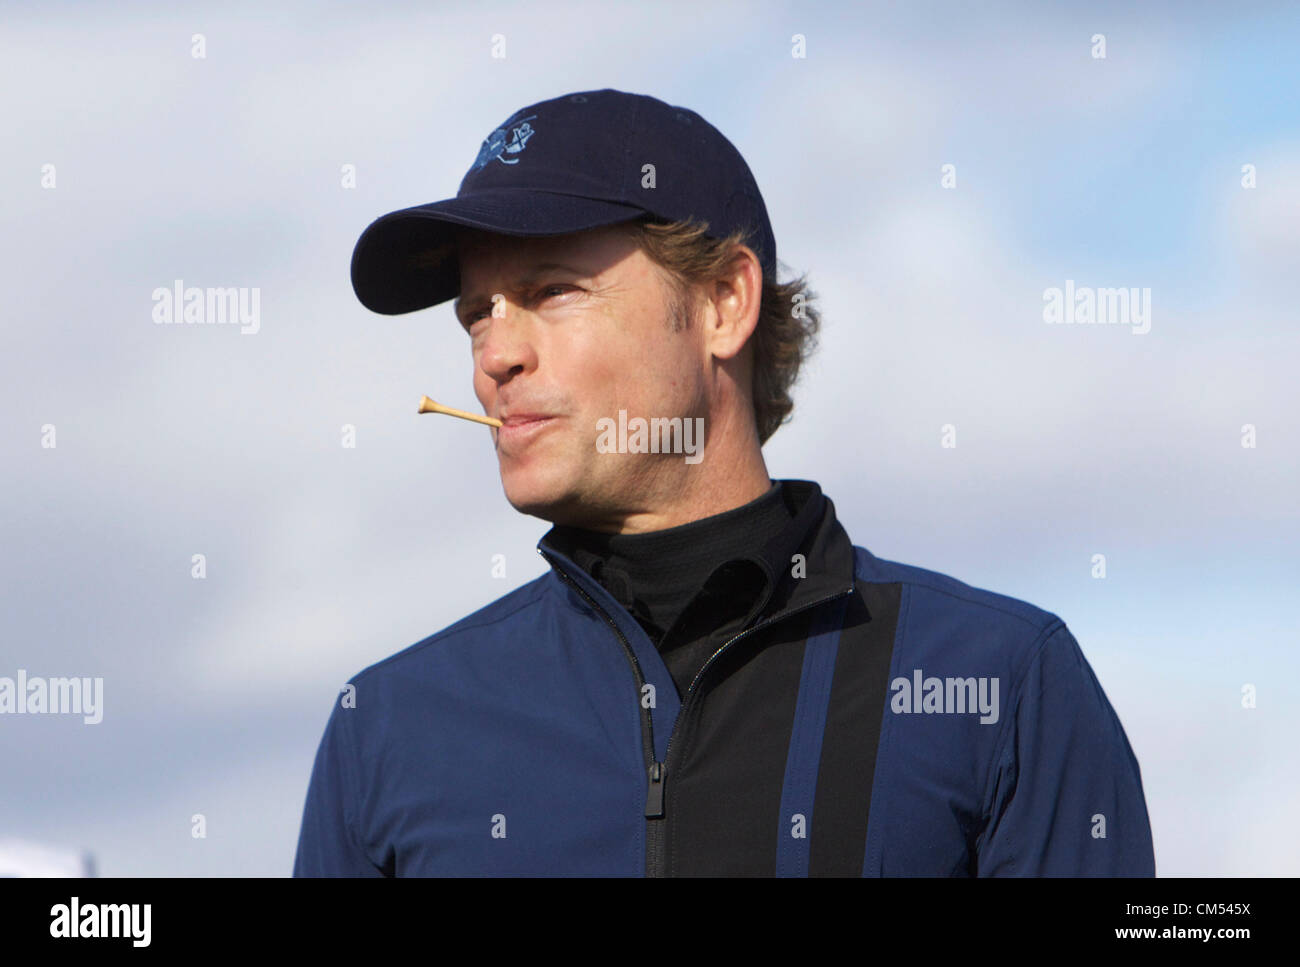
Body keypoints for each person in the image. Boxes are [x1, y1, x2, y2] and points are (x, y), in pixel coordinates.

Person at [293, 88, 1155, 876]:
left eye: (551, 291)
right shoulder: (391, 728)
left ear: (723, 303)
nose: (494, 357)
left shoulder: (999, 684)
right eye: (477, 313)